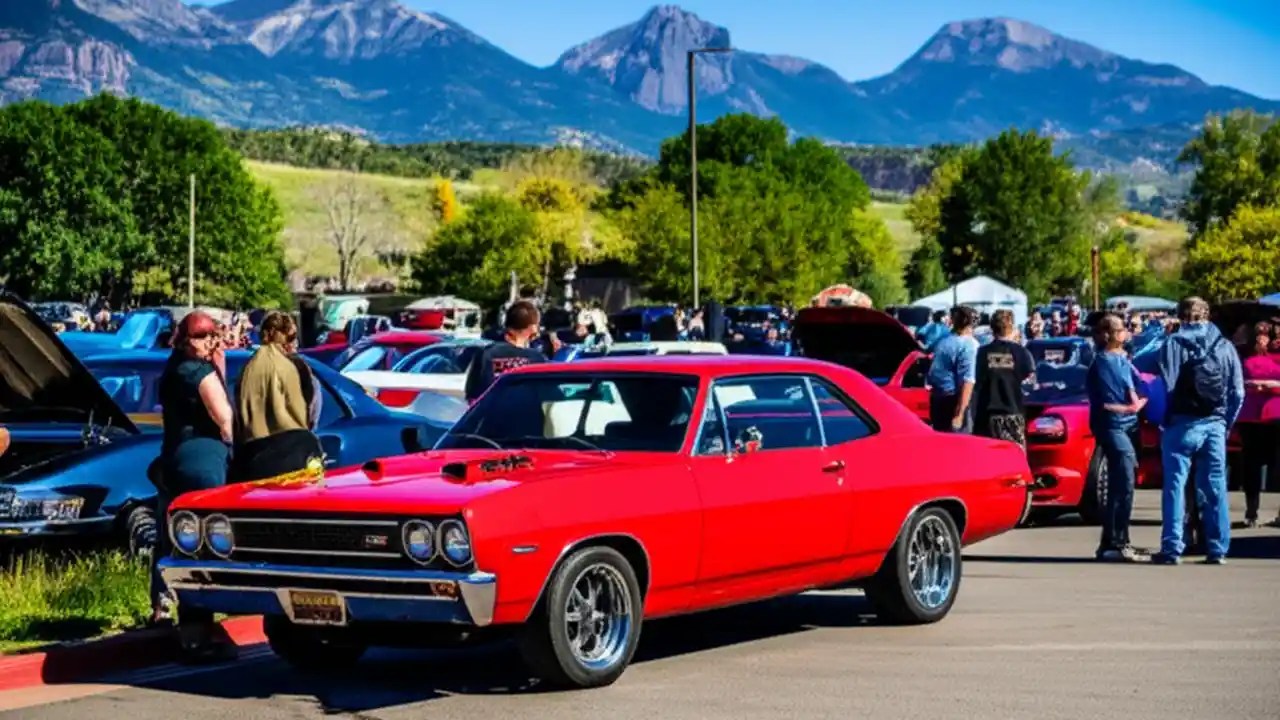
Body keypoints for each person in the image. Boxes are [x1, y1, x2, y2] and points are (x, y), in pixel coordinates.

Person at [153, 311, 235, 660]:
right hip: (203, 465)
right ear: (191, 341)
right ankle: (197, 632)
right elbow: (224, 418)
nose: (208, 344)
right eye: (204, 338)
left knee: (169, 538)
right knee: (201, 544)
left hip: (172, 459)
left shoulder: (172, 368)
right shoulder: (199, 372)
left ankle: (161, 607)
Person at [1153, 297, 1244, 565]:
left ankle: (1172, 547)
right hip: (1214, 422)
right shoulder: (1225, 346)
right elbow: (1238, 392)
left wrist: (1164, 419)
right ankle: (1218, 548)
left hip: (1181, 422)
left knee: (1175, 485)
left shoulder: (1171, 344)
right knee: (1215, 486)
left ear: (1180, 316)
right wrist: (1226, 422)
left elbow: (1162, 384)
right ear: (1207, 315)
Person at [232, 312, 323, 483]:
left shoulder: (246, 369)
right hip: (296, 453)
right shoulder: (294, 367)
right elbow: (310, 411)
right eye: (292, 338)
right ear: (286, 338)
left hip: (253, 458)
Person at [1087, 314, 1149, 562]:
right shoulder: (1103, 362)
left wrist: (1140, 400)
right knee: (1122, 483)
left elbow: (1139, 387)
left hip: (1129, 426)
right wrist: (1132, 406)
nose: (1126, 332)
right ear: (1108, 334)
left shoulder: (1123, 360)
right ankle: (1114, 543)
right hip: (1113, 427)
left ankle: (1118, 540)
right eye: (1121, 329)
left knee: (1124, 484)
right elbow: (1108, 402)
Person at [1236, 321, 1280, 528]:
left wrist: (1272, 385)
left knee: (1275, 464)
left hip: (1274, 414)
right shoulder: (1244, 358)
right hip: (1251, 415)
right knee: (1251, 464)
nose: (1262, 339)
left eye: (1266, 335)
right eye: (1259, 335)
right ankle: (1251, 511)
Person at [465, 301, 548, 403]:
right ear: (532, 327)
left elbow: (473, 397)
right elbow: (547, 394)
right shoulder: (536, 358)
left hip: (494, 411)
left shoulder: (486, 354)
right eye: (537, 324)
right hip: (526, 412)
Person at [973, 310, 1035, 446]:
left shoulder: (982, 353)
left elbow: (976, 385)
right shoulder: (1022, 353)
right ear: (1012, 327)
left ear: (992, 328)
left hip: (987, 415)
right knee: (1015, 455)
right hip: (1013, 413)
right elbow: (1030, 384)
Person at [926, 306, 980, 433]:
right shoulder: (969, 345)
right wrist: (960, 414)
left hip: (938, 400)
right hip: (954, 401)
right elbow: (968, 381)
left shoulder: (942, 341)